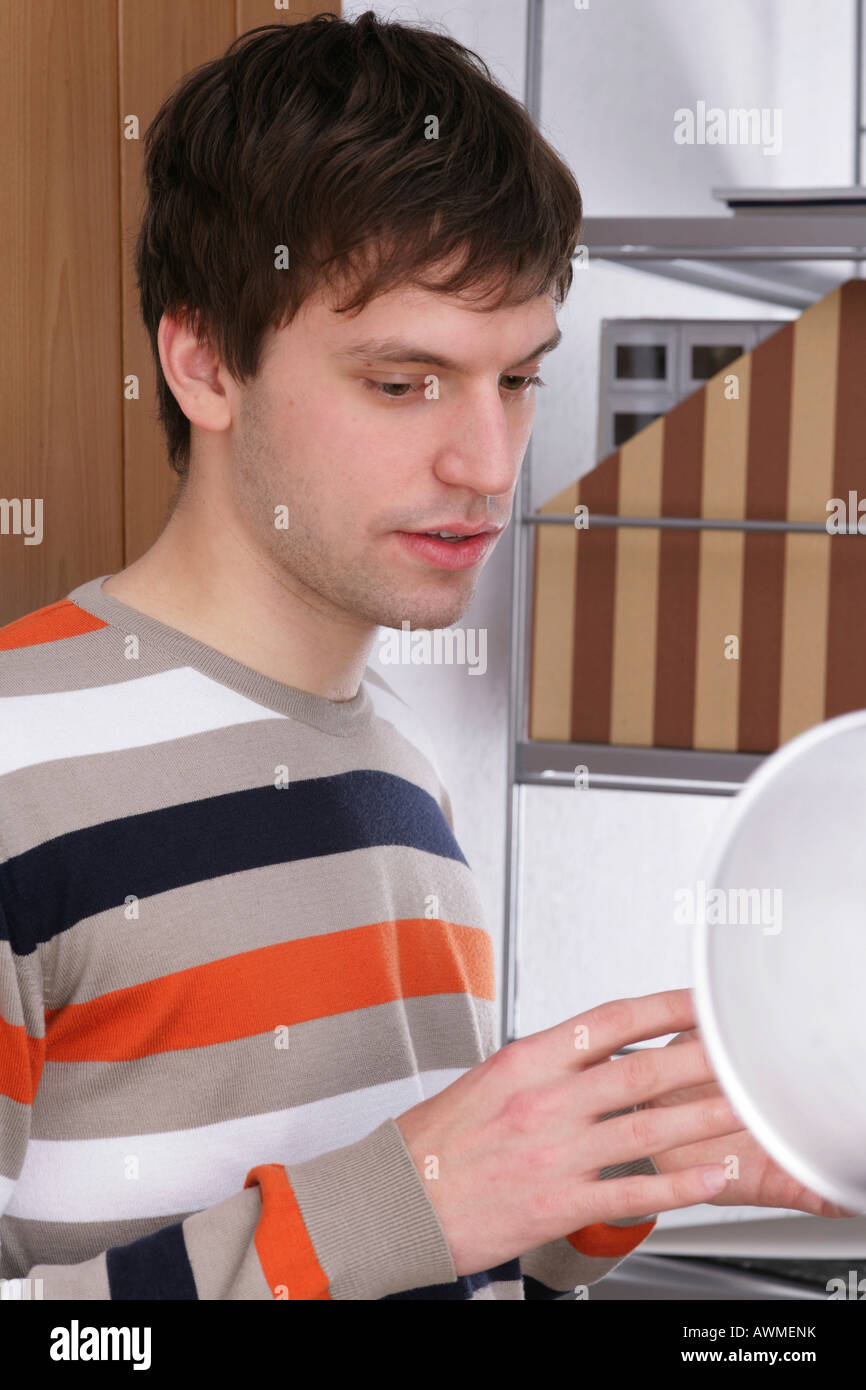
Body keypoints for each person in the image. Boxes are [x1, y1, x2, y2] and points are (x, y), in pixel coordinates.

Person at [0, 11, 851, 1302]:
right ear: (202, 362)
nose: (488, 463)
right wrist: (406, 1201)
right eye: (402, 383)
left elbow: (408, 1247)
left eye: (514, 379)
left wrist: (631, 1171)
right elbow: (379, 1214)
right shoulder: (18, 768)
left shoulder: (396, 766)